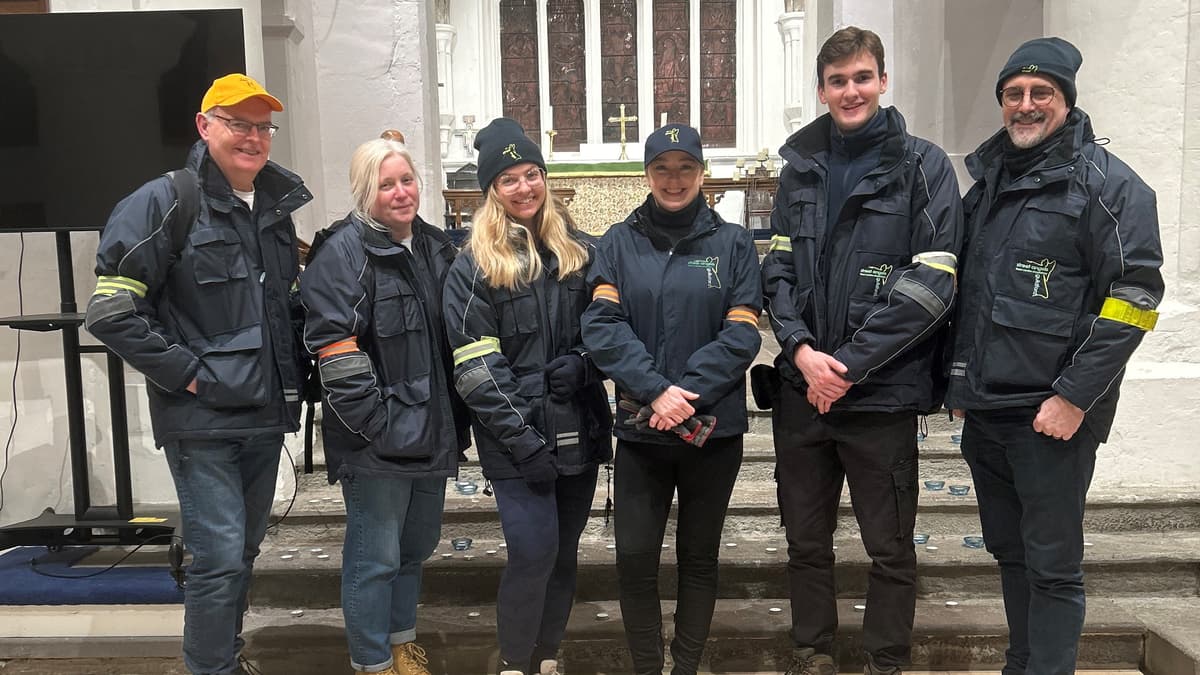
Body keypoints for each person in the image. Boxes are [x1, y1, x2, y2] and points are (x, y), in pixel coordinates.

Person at [947, 37, 1164, 675]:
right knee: (1010, 555)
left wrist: (1073, 397)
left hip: (1051, 417)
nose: (1026, 104)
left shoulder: (1110, 186)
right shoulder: (988, 183)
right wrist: (962, 388)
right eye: (1014, 93)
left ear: (1066, 100)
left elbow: (1136, 296)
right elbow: (975, 294)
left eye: (1041, 93)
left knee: (1053, 567)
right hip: (990, 411)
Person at [85, 74, 313, 675]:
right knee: (218, 558)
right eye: (239, 123)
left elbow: (277, 311)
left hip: (264, 419)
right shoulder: (163, 203)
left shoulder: (273, 211)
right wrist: (192, 377)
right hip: (203, 422)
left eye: (263, 127)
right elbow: (110, 311)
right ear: (204, 125)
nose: (254, 137)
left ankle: (226, 657)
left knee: (241, 551)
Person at [760, 27, 963, 675]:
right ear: (821, 89)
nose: (851, 90)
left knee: (889, 547)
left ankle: (884, 661)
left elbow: (932, 282)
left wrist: (845, 364)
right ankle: (812, 652)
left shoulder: (923, 166)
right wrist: (800, 350)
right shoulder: (799, 171)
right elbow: (778, 274)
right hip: (805, 394)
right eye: (838, 80)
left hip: (881, 395)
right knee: (806, 541)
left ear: (882, 80)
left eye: (862, 77)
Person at [581, 124, 762, 675]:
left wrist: (686, 393)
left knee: (698, 559)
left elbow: (743, 331)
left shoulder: (732, 244)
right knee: (634, 560)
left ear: (702, 173)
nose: (674, 178)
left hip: (712, 430)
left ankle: (684, 667)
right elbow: (603, 325)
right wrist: (656, 390)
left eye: (686, 167)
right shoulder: (616, 242)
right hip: (643, 429)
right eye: (663, 167)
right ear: (647, 174)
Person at [442, 118, 613, 675]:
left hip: (579, 428)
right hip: (518, 442)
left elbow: (611, 331)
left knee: (564, 556)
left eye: (532, 174)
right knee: (533, 551)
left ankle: (548, 656)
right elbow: (475, 364)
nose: (524, 188)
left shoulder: (581, 253)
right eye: (509, 178)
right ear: (491, 189)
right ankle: (516, 660)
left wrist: (586, 363)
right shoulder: (473, 266)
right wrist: (522, 439)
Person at [300, 137, 471, 675]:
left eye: (406, 180)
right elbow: (336, 353)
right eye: (386, 184)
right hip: (379, 439)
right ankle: (371, 661)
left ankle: (402, 645)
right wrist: (380, 425)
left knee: (416, 547)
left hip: (432, 429)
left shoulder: (437, 247)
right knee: (374, 559)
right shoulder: (342, 254)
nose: (401, 193)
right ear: (364, 191)